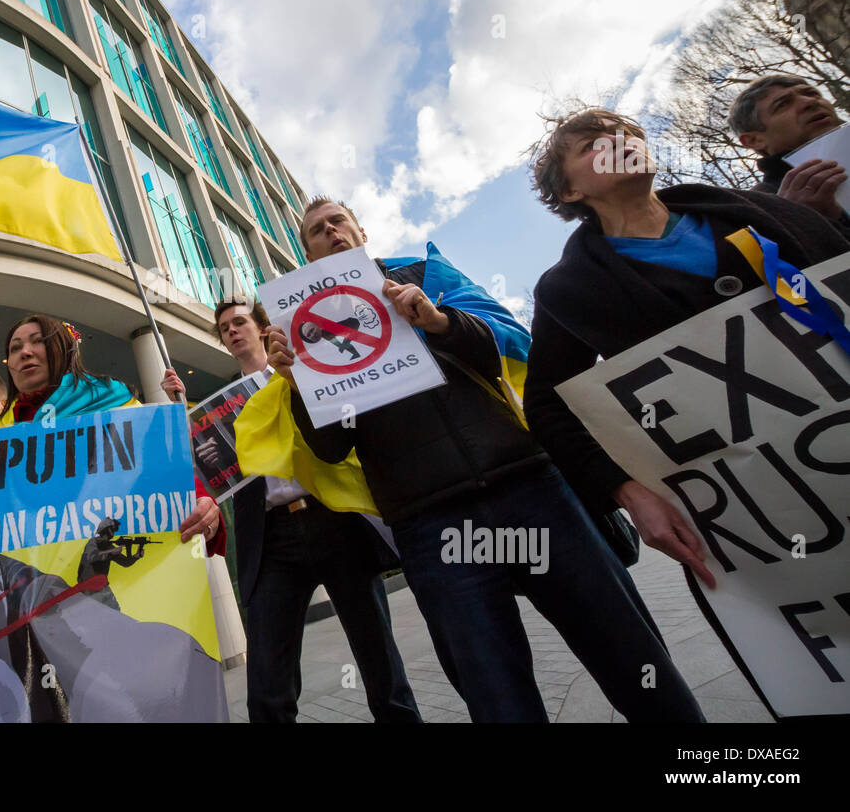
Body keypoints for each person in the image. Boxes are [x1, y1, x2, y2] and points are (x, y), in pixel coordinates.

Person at [260, 196, 704, 722]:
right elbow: (335, 446)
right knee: (496, 698)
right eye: (316, 230)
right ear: (307, 253)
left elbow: (509, 350)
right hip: (431, 526)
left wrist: (439, 322)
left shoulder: (426, 275)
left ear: (361, 230)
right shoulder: (306, 330)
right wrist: (299, 384)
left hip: (531, 489)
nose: (330, 231)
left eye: (338, 221)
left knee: (634, 658)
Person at [525, 108, 850, 588]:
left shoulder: (769, 214)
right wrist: (628, 491)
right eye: (594, 144)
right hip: (776, 498)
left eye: (628, 134)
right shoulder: (570, 290)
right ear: (571, 191)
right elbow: (548, 406)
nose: (619, 142)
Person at [161, 297, 420, 723]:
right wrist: (180, 411)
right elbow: (207, 471)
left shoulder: (300, 374)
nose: (232, 331)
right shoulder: (221, 408)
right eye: (225, 328)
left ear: (262, 328)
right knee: (266, 684)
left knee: (378, 658)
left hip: (332, 520)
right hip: (271, 538)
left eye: (239, 322)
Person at [0, 314, 225, 584]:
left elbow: (153, 467)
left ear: (62, 348)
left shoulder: (110, 399)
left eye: (37, 341)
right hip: (21, 591)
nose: (25, 352)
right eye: (15, 348)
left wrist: (202, 505)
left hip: (110, 579)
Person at [729, 75, 847, 222]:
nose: (810, 102)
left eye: (812, 93)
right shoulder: (758, 210)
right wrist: (797, 222)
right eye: (783, 104)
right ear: (755, 140)